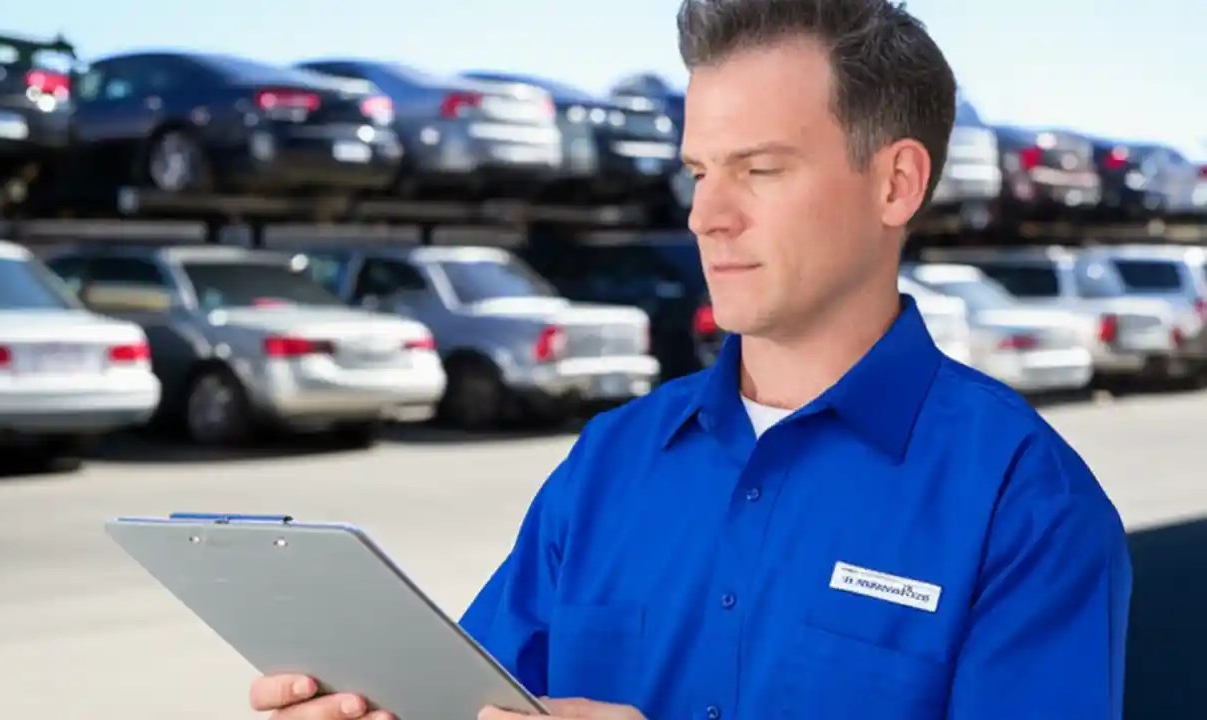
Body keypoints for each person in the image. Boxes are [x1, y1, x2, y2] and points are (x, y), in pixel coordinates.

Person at [249, 0, 1132, 718]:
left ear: (895, 183)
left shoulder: (1027, 504)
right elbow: (484, 702)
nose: (706, 215)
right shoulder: (610, 461)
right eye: (700, 170)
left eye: (759, 170)